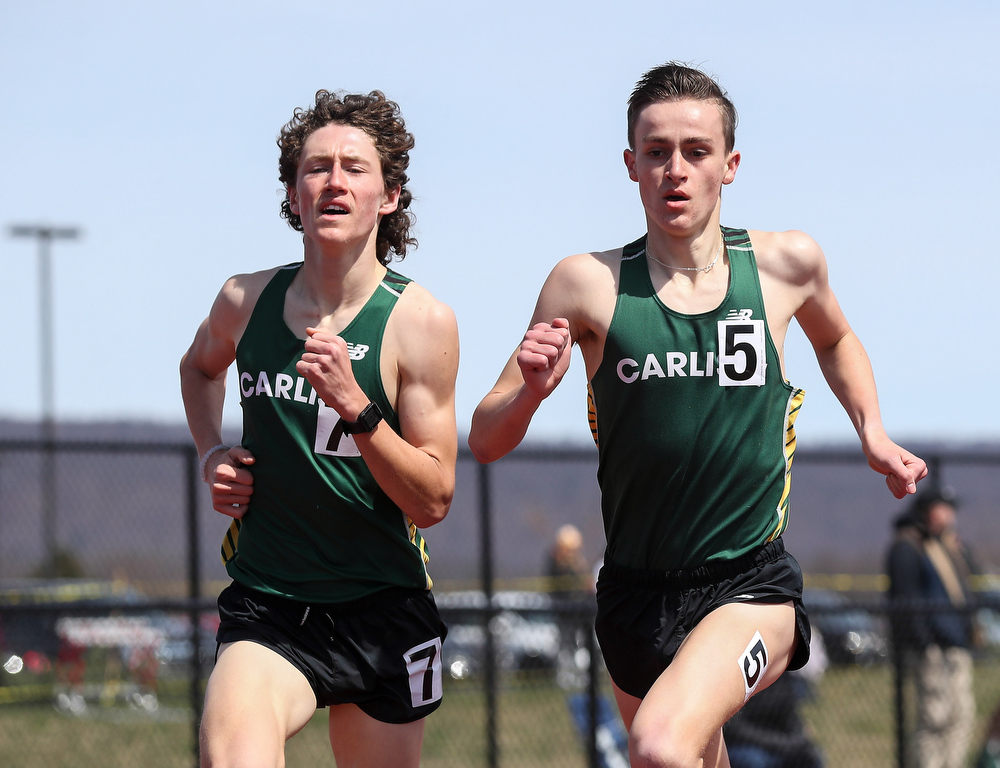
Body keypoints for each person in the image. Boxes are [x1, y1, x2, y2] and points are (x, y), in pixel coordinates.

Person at [468, 62, 927, 768]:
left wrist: (872, 431)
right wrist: (530, 390)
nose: (675, 170)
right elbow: (485, 438)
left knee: (658, 745)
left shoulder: (784, 265)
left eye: (696, 151)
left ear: (730, 165)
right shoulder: (585, 283)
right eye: (656, 152)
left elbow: (835, 339)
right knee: (686, 757)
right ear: (631, 165)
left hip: (749, 584)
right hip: (634, 594)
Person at [180, 89, 459, 768]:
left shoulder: (419, 322)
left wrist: (356, 407)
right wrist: (212, 451)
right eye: (317, 167)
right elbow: (198, 369)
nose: (335, 181)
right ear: (292, 193)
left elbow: (433, 498)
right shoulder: (244, 300)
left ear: (389, 197)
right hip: (270, 605)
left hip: (384, 606)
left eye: (355, 168)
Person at [887, 486, 978, 768]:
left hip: (956, 645)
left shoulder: (946, 546)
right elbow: (907, 602)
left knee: (961, 715)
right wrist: (925, 643)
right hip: (931, 649)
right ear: (928, 511)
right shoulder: (909, 546)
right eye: (944, 508)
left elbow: (970, 580)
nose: (951, 516)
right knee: (934, 718)